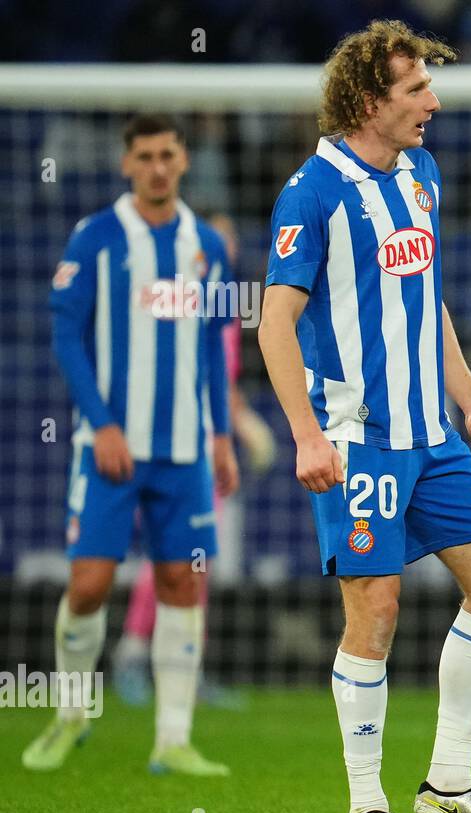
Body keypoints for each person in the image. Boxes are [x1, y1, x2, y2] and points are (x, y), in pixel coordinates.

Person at [258, 20, 471, 813]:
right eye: (416, 89)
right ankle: (365, 802)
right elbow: (274, 325)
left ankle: (448, 785)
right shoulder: (312, 192)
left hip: (434, 436)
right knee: (376, 609)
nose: (433, 102)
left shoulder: (421, 175)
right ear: (366, 101)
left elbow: (426, 300)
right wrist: (306, 436)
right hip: (359, 439)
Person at [23, 114, 239, 776]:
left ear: (183, 161)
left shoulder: (206, 245)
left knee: (183, 580)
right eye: (144, 156)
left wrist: (221, 434)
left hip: (185, 452)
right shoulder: (95, 236)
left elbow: (212, 345)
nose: (156, 167)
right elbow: (67, 336)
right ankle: (71, 714)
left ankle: (173, 739)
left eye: (167, 154)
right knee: (89, 583)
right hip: (109, 450)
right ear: (126, 164)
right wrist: (103, 422)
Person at [111, 211, 277, 709]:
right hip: (169, 444)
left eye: (229, 239)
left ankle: (187, 667)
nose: (224, 248)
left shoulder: (225, 311)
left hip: (208, 447)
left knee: (198, 559)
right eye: (215, 238)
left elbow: (221, 383)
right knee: (170, 553)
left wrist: (242, 423)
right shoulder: (172, 298)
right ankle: (132, 655)